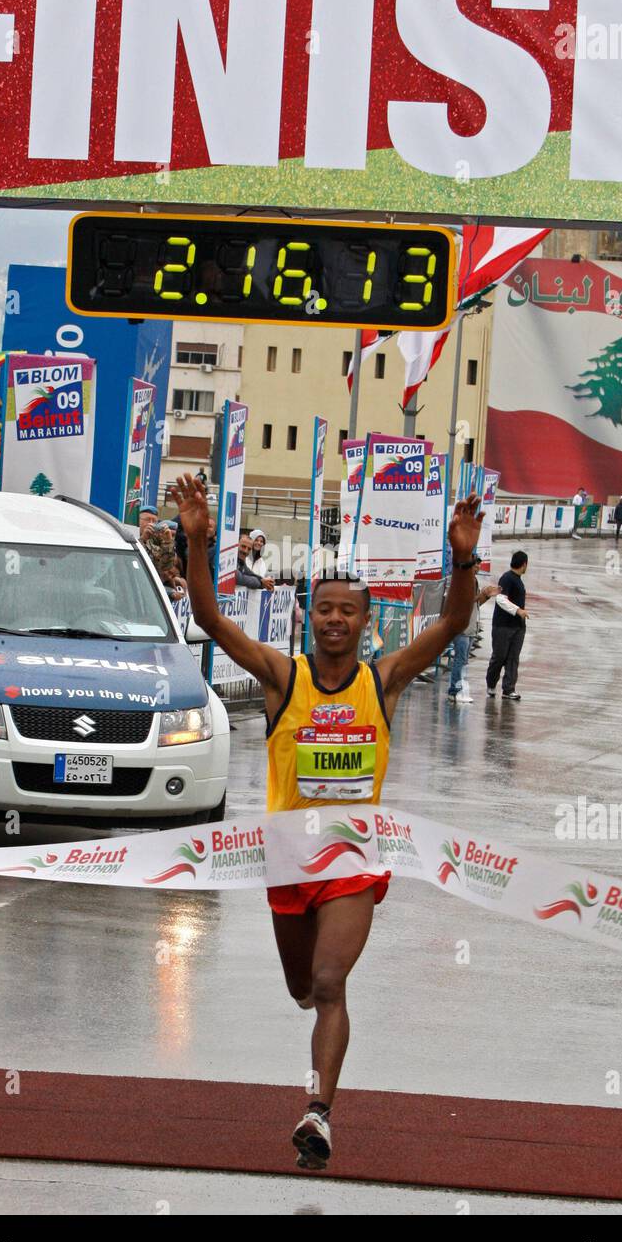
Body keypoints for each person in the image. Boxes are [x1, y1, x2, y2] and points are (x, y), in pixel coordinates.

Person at [172, 472, 484, 1171]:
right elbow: (212, 621)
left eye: (347, 611)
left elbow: (452, 625)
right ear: (308, 617)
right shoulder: (283, 678)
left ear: (365, 621)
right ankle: (315, 1069)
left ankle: (318, 1111)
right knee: (302, 989)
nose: (335, 620)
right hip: (287, 862)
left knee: (331, 983)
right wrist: (197, 543)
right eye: (324, 610)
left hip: (352, 863)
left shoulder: (383, 680)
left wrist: (463, 559)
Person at [486, 551, 529, 701]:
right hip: (502, 626)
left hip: (518, 627)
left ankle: (509, 689)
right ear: (524, 564)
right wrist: (518, 610)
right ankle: (491, 684)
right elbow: (500, 599)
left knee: (513, 658)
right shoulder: (507, 578)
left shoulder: (519, 581)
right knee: (499, 656)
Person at [447, 579, 499, 703]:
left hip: (470, 628)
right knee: (460, 660)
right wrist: (481, 595)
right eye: (475, 567)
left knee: (464, 661)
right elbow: (463, 602)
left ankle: (461, 690)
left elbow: (476, 604)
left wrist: (486, 596)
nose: (478, 569)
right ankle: (454, 691)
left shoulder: (473, 580)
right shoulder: (463, 580)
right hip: (462, 629)